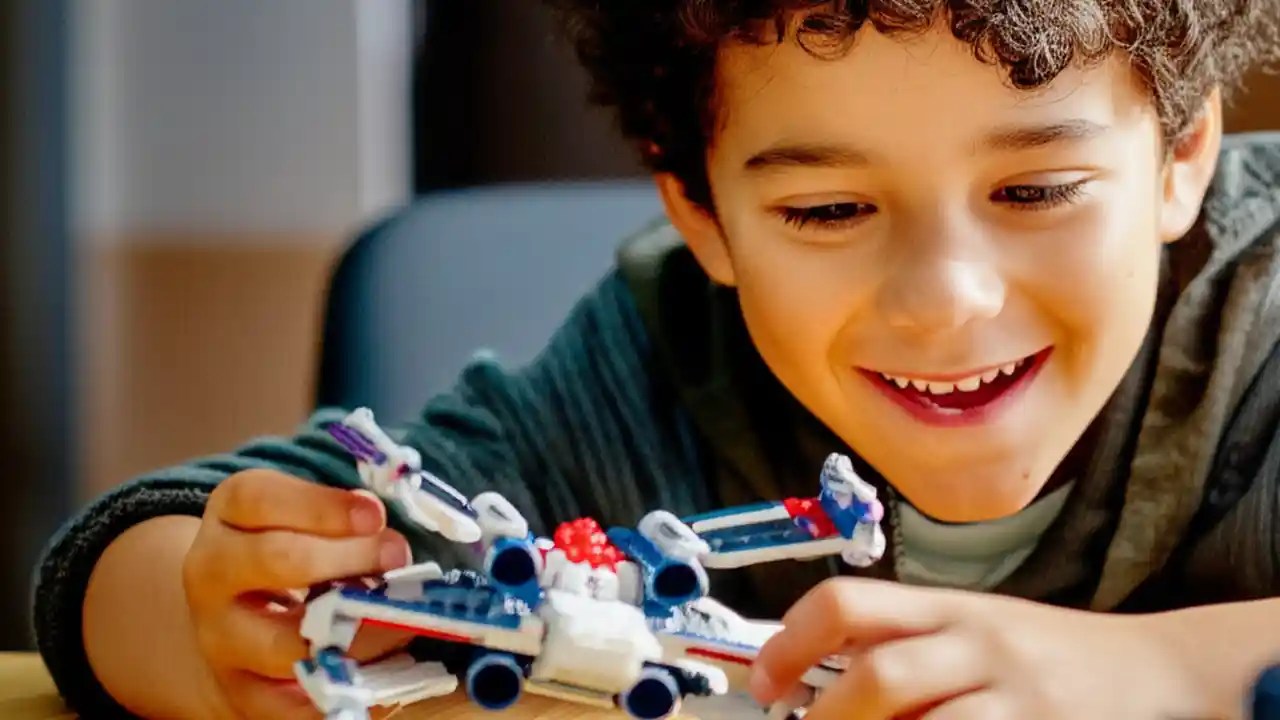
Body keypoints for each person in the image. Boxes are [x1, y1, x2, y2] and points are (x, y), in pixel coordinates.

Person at [33, 2, 1280, 719]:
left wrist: (1157, 673)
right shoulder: (644, 368)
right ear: (699, 213)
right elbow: (121, 561)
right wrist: (220, 620)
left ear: (1180, 158)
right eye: (828, 211)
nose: (943, 303)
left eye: (1035, 187)